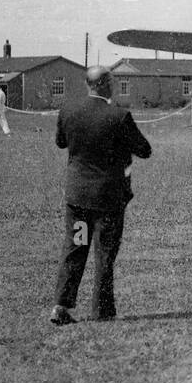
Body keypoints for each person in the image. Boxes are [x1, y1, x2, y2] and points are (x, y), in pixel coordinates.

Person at [49, 66, 152, 325]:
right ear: (105, 84)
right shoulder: (119, 116)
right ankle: (102, 310)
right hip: (108, 200)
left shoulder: (68, 111)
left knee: (76, 247)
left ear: (88, 84)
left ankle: (61, 306)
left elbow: (62, 142)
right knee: (104, 253)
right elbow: (144, 150)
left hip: (78, 199)